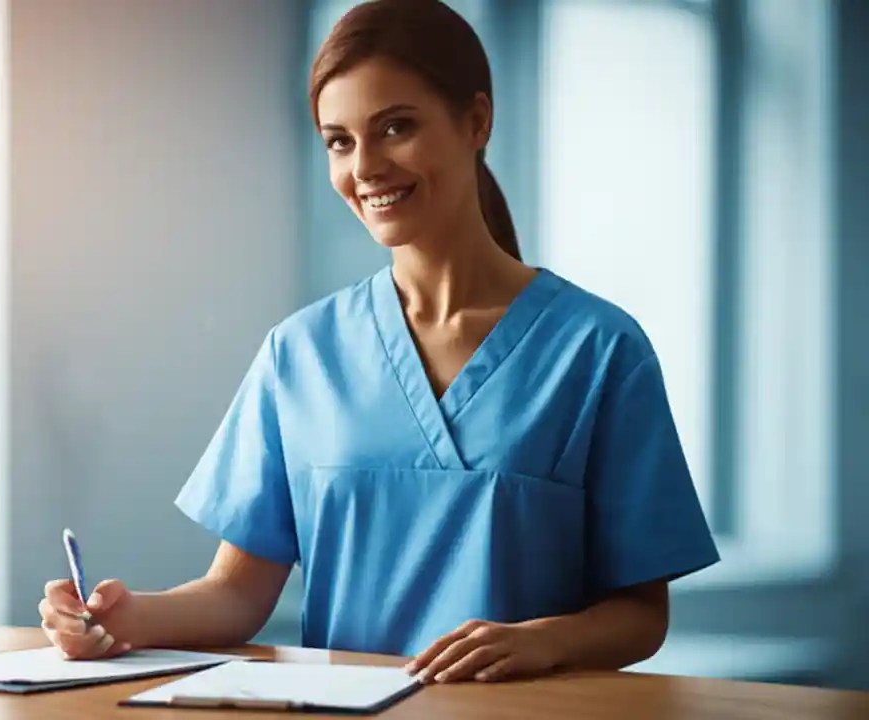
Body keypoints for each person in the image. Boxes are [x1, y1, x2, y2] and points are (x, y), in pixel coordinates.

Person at [38, 0, 718, 684]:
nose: (365, 167)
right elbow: (237, 594)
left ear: (476, 121)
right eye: (339, 140)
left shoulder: (598, 351)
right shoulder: (300, 354)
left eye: (395, 127)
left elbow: (640, 615)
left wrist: (545, 640)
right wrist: (120, 619)